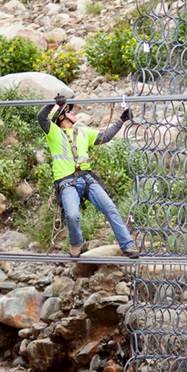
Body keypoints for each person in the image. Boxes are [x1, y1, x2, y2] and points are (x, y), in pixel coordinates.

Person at [38, 94, 140, 259]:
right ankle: (76, 242)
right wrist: (53, 103)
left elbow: (104, 137)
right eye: (69, 111)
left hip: (87, 179)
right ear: (61, 116)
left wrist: (121, 120)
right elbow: (41, 117)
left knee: (110, 209)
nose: (74, 114)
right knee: (72, 215)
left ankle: (127, 245)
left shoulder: (83, 132)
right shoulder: (53, 132)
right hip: (67, 182)